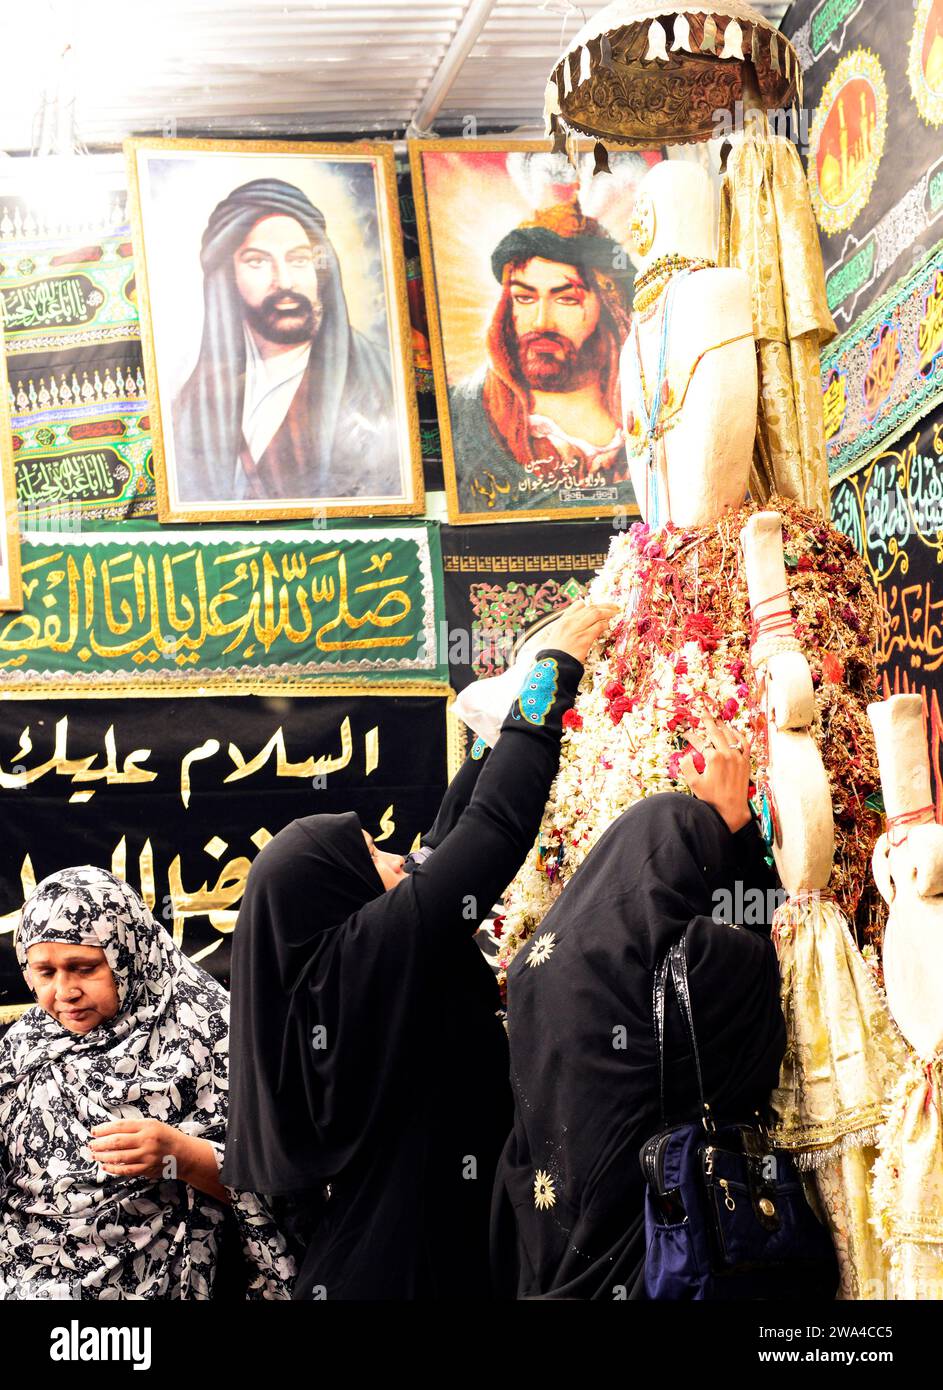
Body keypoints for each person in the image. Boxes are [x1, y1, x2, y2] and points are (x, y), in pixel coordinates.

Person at [221, 599, 617, 1300]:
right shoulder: (357, 960)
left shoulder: (331, 966)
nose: (395, 857)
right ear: (333, 889)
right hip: (400, 1271)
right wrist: (549, 679)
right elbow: (491, 831)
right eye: (371, 853)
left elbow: (441, 843)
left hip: (389, 1251)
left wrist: (490, 736)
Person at [491, 713, 788, 1299]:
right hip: (663, 1259)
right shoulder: (695, 960)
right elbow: (778, 949)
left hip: (552, 1262)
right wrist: (739, 831)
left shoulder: (533, 974)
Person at [0, 867, 294, 1300]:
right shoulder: (27, 1043)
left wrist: (183, 1156)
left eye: (83, 968)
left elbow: (288, 1184)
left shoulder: (215, 1033)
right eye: (44, 972)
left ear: (130, 952)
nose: (64, 992)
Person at [172, 178, 400, 504]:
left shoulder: (383, 378)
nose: (285, 281)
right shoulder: (194, 403)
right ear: (227, 276)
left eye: (298, 259)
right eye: (257, 261)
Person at [449, 202, 636, 513]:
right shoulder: (466, 411)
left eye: (566, 299)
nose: (540, 323)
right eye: (524, 297)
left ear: (609, 306)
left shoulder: (649, 409)